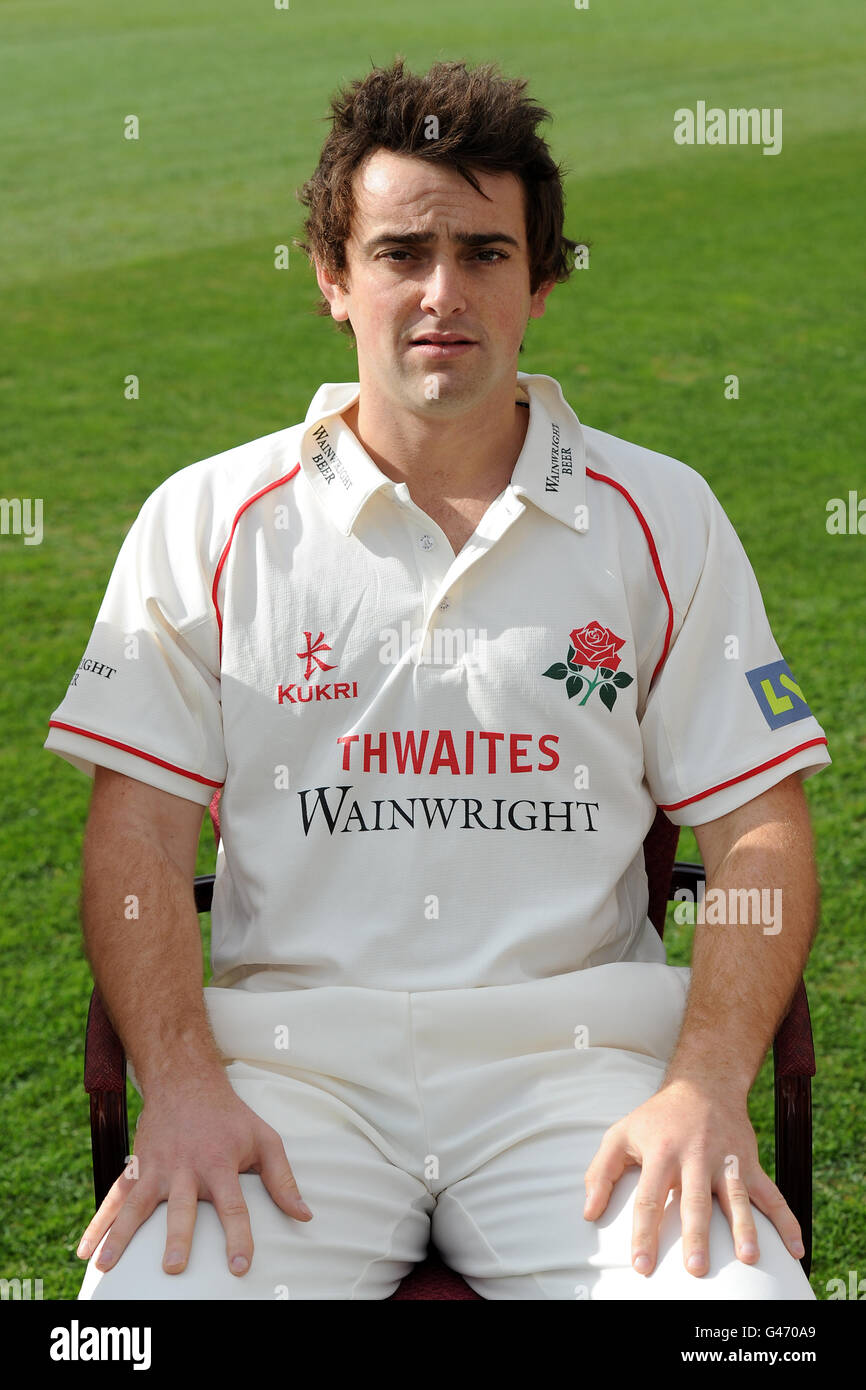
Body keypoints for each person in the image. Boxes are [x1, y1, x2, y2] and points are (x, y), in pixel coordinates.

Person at [45, 56, 830, 1300]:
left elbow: (757, 828)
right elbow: (135, 831)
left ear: (541, 280)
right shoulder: (208, 516)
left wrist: (702, 1080)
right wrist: (186, 1082)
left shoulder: (659, 512)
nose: (440, 293)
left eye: (484, 253)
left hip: (577, 1072)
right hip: (289, 1074)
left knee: (740, 1321)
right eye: (402, 250)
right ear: (331, 275)